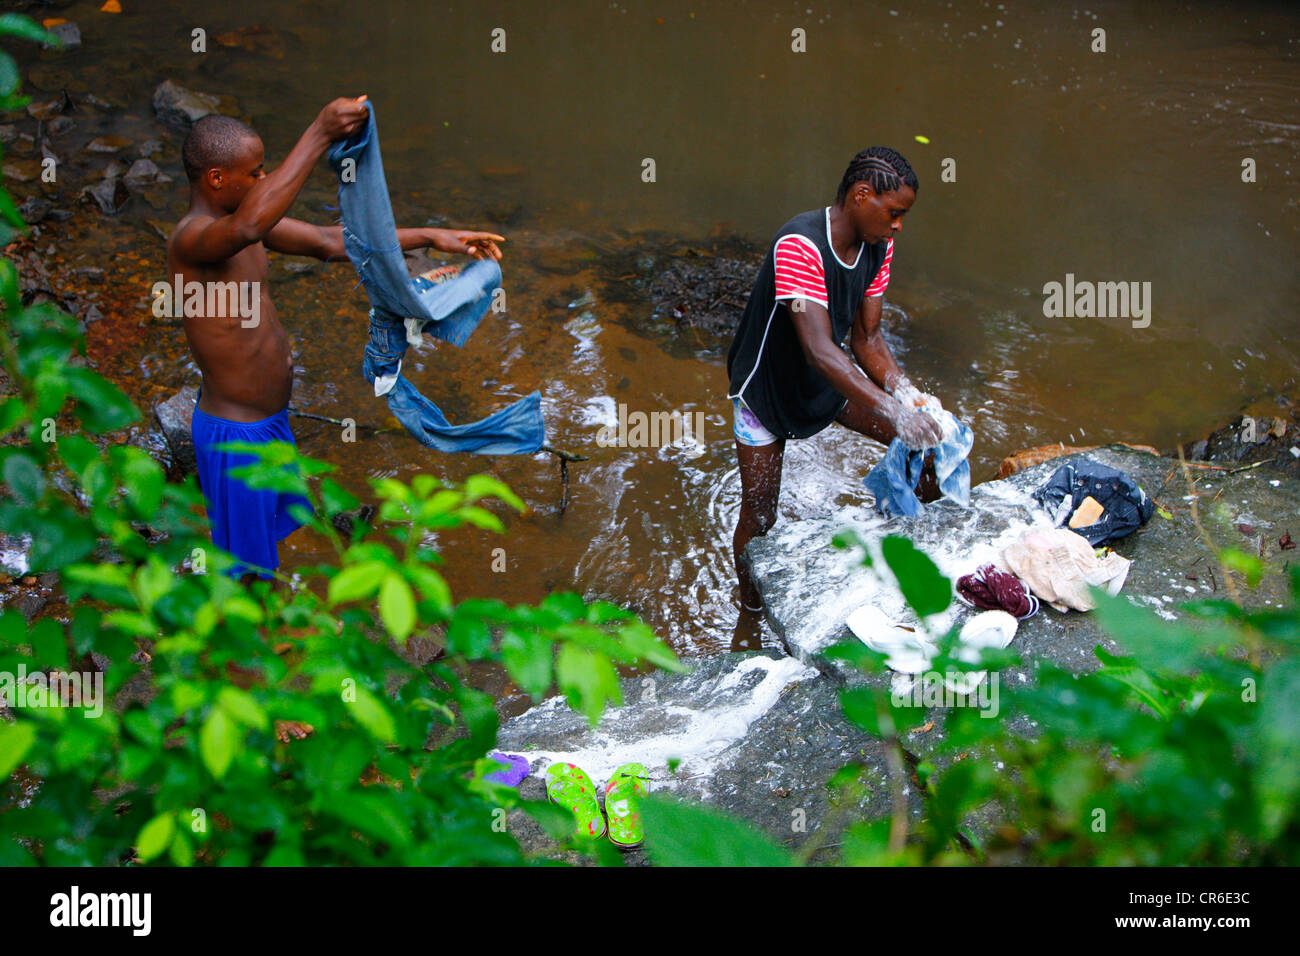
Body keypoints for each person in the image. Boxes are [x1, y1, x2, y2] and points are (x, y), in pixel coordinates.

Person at [167, 96, 505, 583]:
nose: (263, 182)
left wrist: (433, 236)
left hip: (269, 423)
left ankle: (264, 634)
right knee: (241, 571)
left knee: (262, 547)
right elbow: (250, 224)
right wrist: (321, 133)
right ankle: (241, 656)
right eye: (255, 173)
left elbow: (331, 242)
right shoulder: (194, 239)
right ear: (216, 179)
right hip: (235, 435)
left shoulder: (244, 227)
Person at [726, 147, 945, 612]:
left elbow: (867, 339)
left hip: (829, 382)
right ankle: (750, 609)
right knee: (761, 514)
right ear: (861, 195)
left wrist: (907, 396)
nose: (899, 224)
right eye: (894, 213)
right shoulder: (800, 245)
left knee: (926, 448)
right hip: (766, 391)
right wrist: (891, 409)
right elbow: (819, 349)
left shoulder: (879, 245)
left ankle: (932, 556)